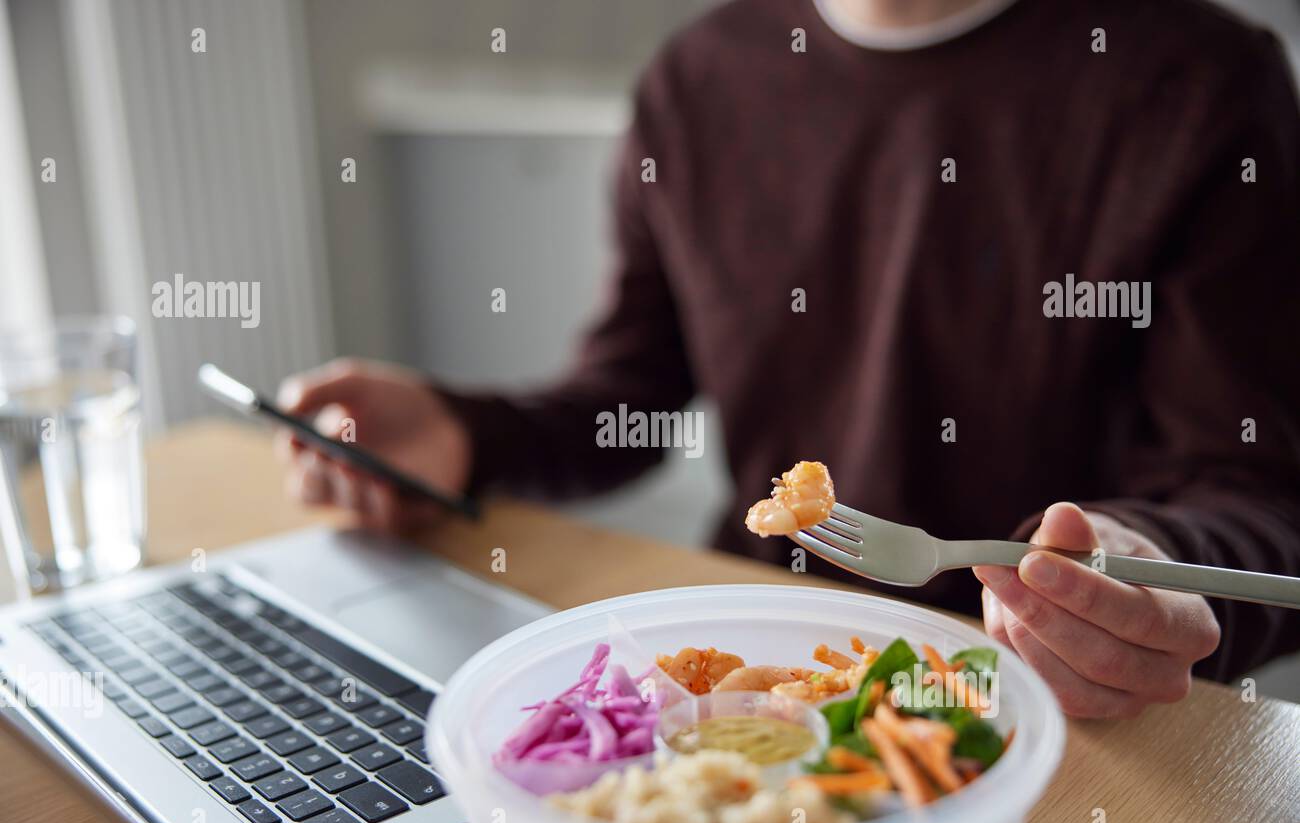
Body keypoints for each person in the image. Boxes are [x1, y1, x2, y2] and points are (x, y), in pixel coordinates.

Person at [277, 0, 1300, 718]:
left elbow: (1257, 494)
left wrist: (1153, 580)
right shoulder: (696, 80)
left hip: (1057, 717)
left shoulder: (1199, 83)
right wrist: (464, 434)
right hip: (767, 673)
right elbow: (626, 396)